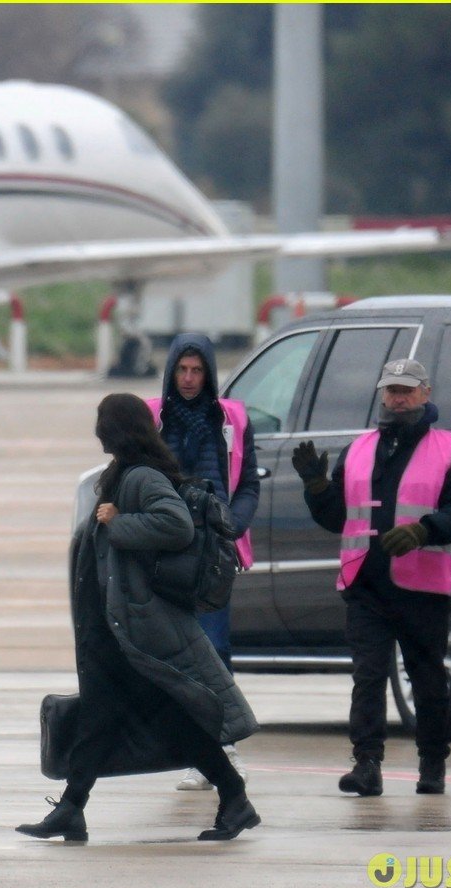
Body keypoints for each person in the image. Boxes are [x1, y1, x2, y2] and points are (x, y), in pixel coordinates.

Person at [16, 394, 260, 843]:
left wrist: (118, 522)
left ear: (119, 429)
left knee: (163, 719)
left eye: (102, 422)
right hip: (118, 627)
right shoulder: (119, 475)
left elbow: (177, 525)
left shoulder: (141, 477)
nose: (97, 431)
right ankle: (72, 809)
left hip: (137, 629)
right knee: (102, 717)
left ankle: (234, 795)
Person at [292, 358, 451, 796]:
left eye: (407, 390)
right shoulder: (357, 449)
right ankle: (366, 764)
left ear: (425, 394)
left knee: (428, 679)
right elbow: (339, 518)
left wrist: (423, 530)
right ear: (381, 395)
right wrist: (317, 489)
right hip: (365, 585)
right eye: (391, 390)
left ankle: (432, 764)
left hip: (421, 588)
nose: (398, 398)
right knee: (368, 676)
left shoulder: (449, 449)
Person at [147, 332, 259, 791]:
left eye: (198, 371)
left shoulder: (231, 417)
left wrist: (233, 524)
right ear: (171, 371)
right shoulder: (152, 416)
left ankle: (224, 746)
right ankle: (194, 748)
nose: (189, 379)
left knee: (214, 649)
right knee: (173, 654)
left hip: (213, 551)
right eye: (182, 370)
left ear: (210, 374)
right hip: (167, 547)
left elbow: (248, 482)